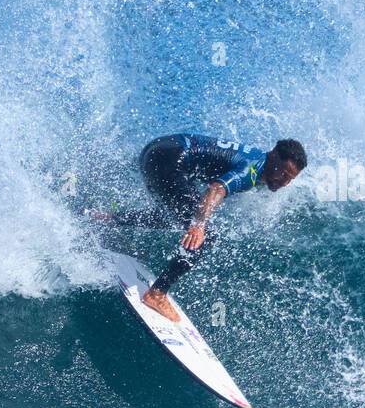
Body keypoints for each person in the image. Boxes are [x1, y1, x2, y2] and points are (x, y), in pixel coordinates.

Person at [111, 133, 306, 322]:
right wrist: (198, 225)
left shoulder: (259, 160)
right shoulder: (250, 170)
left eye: (290, 179)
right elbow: (216, 189)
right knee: (205, 236)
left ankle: (107, 218)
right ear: (273, 155)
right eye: (283, 173)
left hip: (157, 150)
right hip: (168, 160)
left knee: (172, 215)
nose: (284, 182)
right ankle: (157, 294)